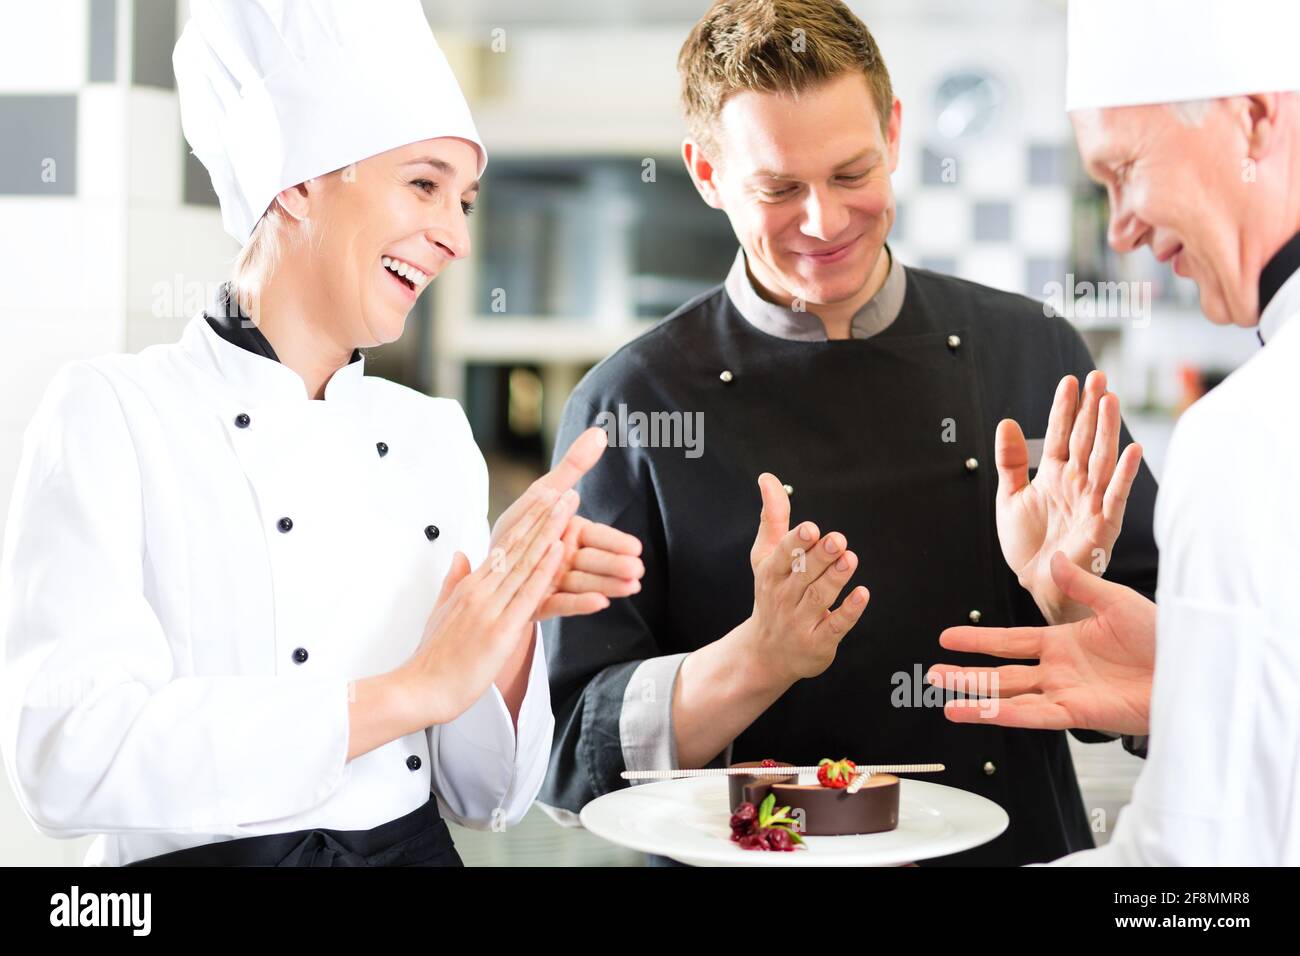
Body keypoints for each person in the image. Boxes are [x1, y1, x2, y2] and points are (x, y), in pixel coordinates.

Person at [0, 0, 643, 867]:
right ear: (295, 181)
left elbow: (487, 798)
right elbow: (65, 757)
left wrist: (508, 618)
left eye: (464, 200)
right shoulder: (113, 413)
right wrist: (408, 690)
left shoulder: (432, 436)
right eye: (423, 184)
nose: (455, 236)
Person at [539, 0, 1156, 865]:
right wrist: (757, 659)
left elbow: (1165, 684)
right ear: (707, 175)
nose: (825, 222)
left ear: (895, 135)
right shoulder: (630, 405)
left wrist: (1066, 584)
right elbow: (570, 750)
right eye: (778, 188)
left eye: (853, 173)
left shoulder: (1030, 348)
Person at [929, 0, 1300, 865]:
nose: (1123, 227)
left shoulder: (1245, 437)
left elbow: (1199, 885)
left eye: (1124, 168)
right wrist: (1187, 680)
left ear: (1250, 118)